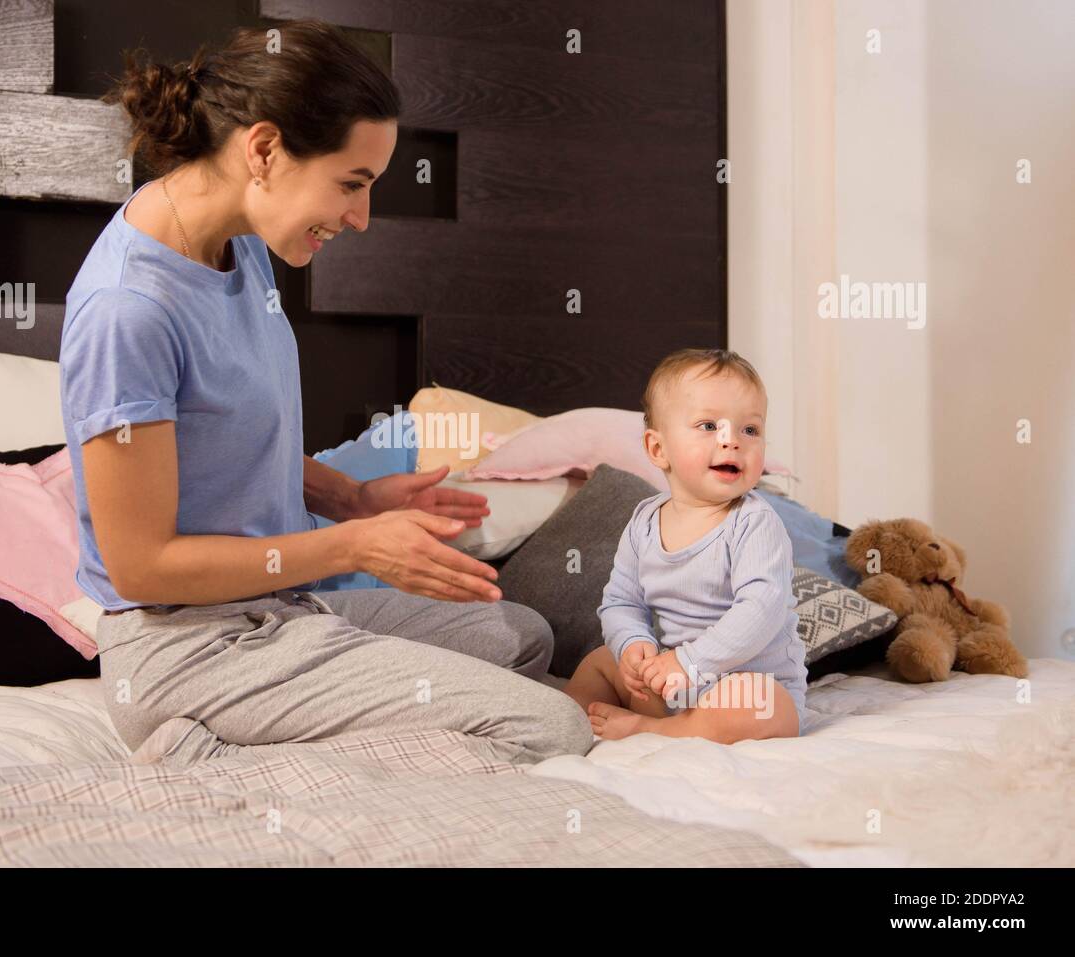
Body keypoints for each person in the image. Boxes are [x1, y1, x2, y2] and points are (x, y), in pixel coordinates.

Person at [58, 20, 592, 768]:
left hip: (277, 609)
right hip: (183, 649)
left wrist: (356, 500)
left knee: (522, 636)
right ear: (266, 150)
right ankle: (212, 752)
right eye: (352, 184)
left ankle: (235, 740)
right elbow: (141, 565)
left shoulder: (240, 242)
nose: (360, 218)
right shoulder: (130, 311)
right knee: (551, 728)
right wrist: (351, 545)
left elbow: (229, 437)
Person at [563, 349, 813, 743]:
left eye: (750, 430)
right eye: (709, 425)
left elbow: (762, 610)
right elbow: (622, 602)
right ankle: (567, 725)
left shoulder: (754, 521)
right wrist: (634, 646)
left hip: (737, 689)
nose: (732, 441)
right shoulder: (644, 521)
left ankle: (654, 730)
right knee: (598, 663)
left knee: (759, 702)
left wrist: (691, 662)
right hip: (667, 684)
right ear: (658, 449)